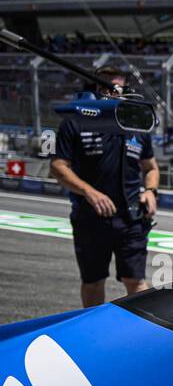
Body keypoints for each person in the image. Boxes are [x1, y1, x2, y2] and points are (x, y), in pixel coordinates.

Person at [51, 67, 159, 308]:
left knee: (137, 282)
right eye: (107, 87)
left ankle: (143, 334)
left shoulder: (136, 123)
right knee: (93, 282)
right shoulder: (77, 122)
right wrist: (89, 192)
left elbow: (150, 167)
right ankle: (94, 336)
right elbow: (58, 167)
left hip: (131, 218)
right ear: (97, 90)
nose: (114, 92)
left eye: (119, 88)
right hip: (91, 217)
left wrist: (150, 191)